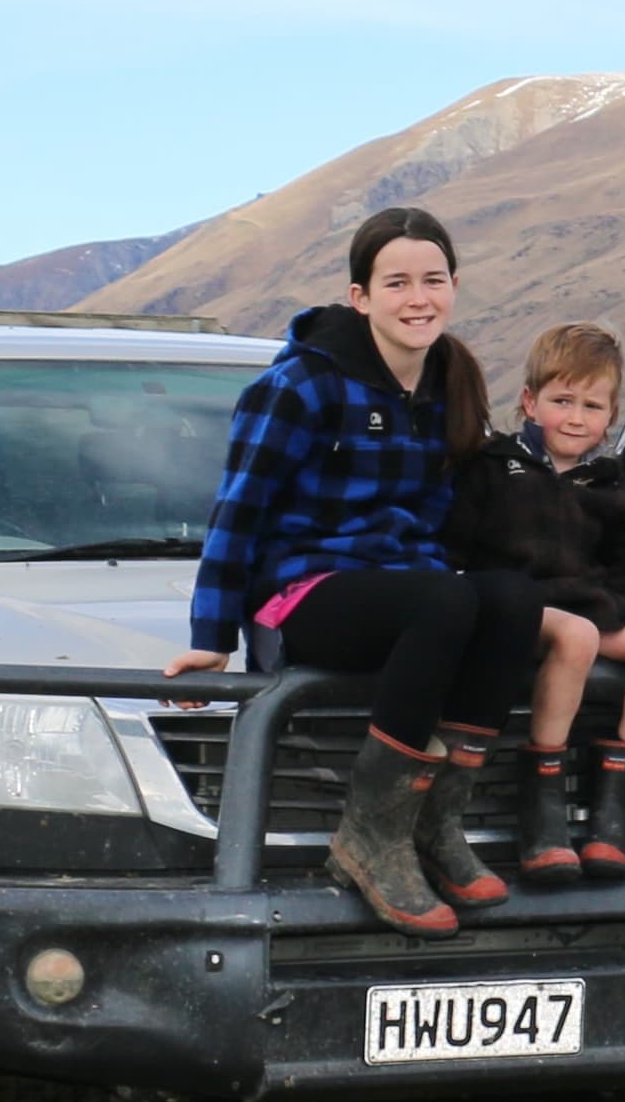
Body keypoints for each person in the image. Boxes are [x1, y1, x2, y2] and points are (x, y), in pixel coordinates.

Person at [171, 207, 545, 936]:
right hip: (302, 596)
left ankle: (437, 824)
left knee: (510, 599)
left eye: (432, 280)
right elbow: (239, 509)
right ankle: (368, 837)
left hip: (406, 588)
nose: (418, 298)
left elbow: (454, 518)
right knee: (443, 601)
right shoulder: (300, 387)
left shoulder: (447, 383)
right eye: (396, 282)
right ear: (360, 297)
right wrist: (211, 635)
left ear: (455, 287)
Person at [443, 323, 625, 882]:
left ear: (611, 415)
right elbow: (455, 545)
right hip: (517, 610)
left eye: (591, 405)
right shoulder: (492, 468)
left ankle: (612, 809)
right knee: (575, 635)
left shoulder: (612, 486)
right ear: (530, 401)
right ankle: (545, 814)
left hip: (591, 607)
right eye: (561, 401)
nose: (576, 417)